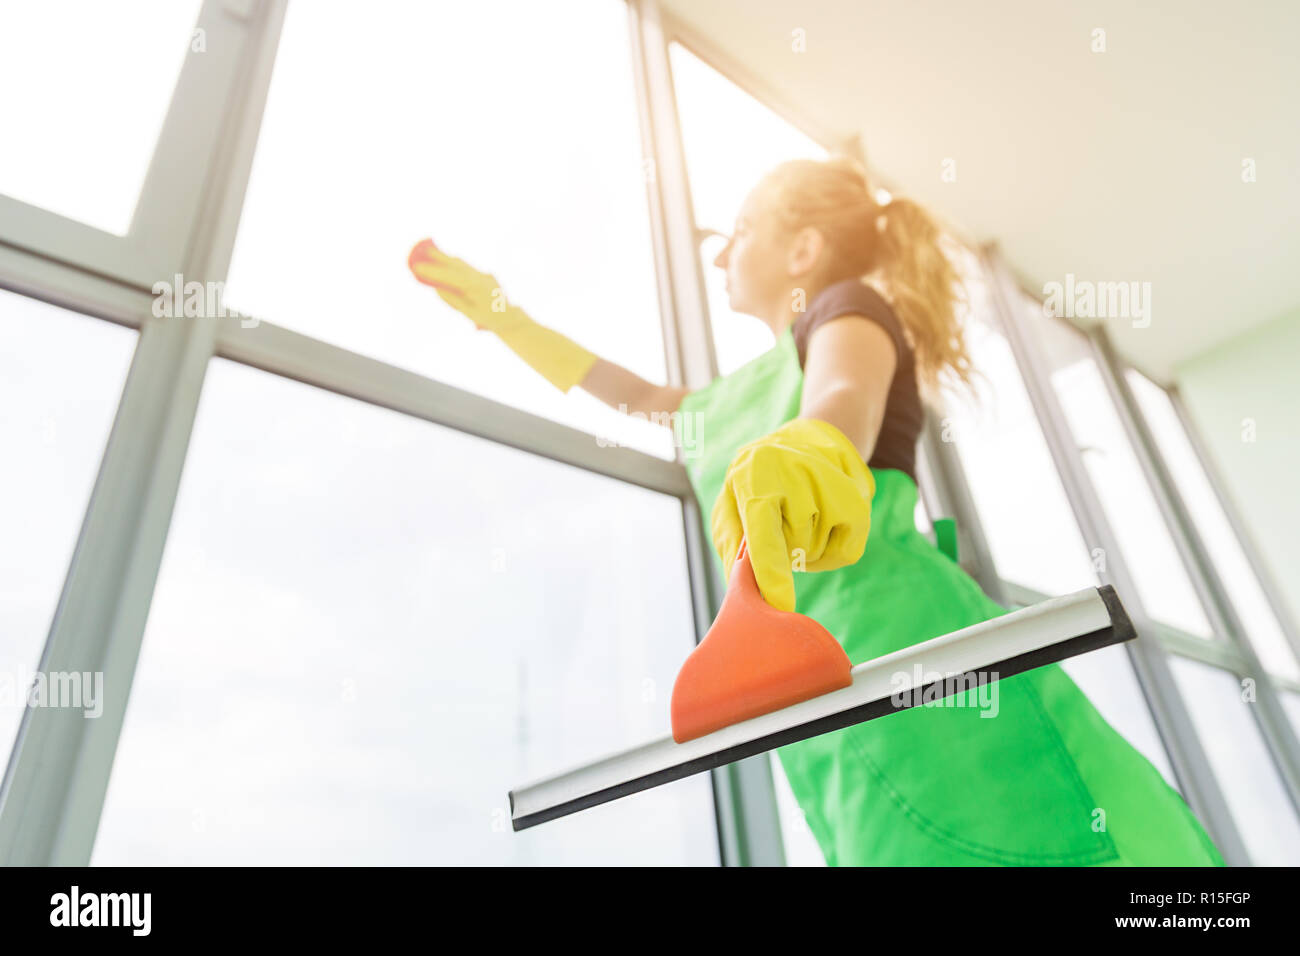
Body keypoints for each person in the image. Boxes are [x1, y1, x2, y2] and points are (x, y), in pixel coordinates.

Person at [407, 155, 1225, 867]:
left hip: (906, 641)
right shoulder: (726, 399)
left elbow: (842, 399)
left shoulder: (846, 309)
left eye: (742, 228)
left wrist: (810, 449)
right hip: (811, 684)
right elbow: (629, 394)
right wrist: (503, 317)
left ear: (802, 249)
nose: (723, 252)